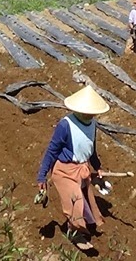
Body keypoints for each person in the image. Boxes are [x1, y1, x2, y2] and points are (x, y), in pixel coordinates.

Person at [37, 85, 110, 250]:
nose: (90, 114)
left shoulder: (92, 125)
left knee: (86, 200)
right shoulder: (65, 125)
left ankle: (80, 226)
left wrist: (97, 167)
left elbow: (91, 149)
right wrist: (42, 176)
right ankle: (74, 232)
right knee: (75, 202)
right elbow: (52, 150)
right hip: (64, 171)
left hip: (81, 169)